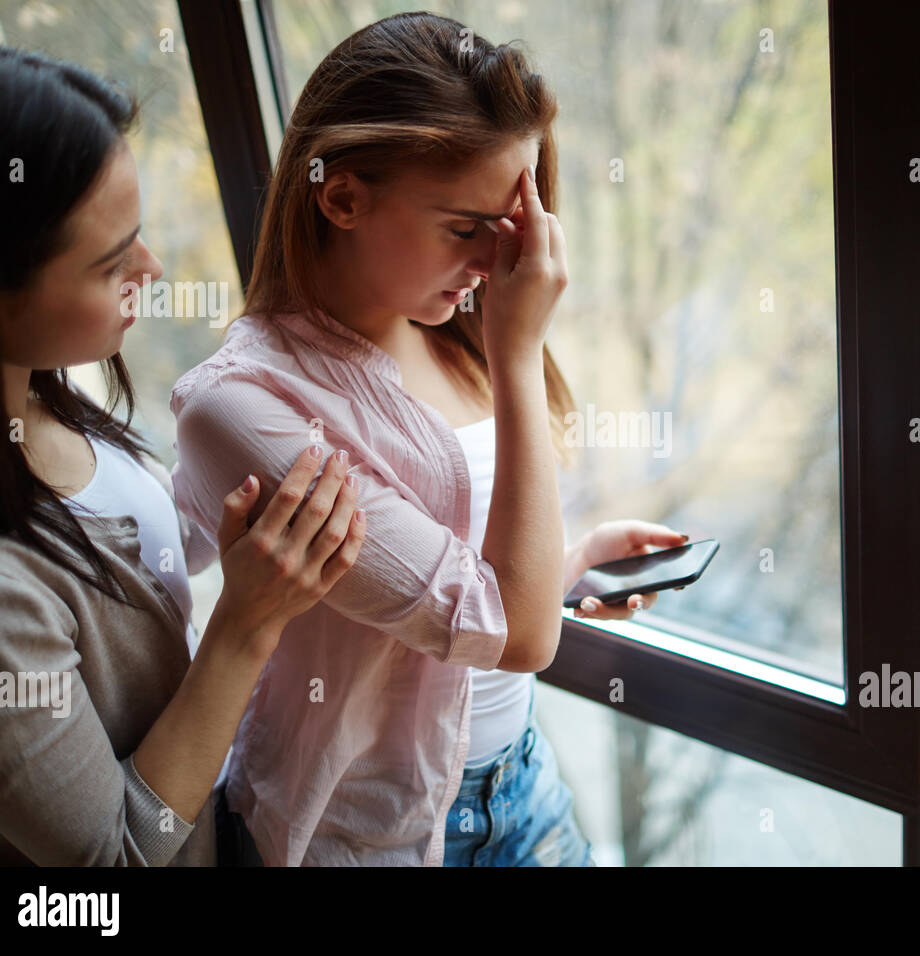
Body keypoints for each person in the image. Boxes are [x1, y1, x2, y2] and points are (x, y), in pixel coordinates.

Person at [169, 12, 687, 866]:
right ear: (341, 197)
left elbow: (459, 596)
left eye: (512, 220)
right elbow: (511, 633)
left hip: (521, 785)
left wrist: (568, 566)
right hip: (370, 832)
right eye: (465, 228)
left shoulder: (444, 326)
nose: (497, 262)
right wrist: (516, 353)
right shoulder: (249, 406)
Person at [0, 41, 366, 866]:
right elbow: (115, 859)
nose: (149, 269)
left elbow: (134, 556)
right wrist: (245, 626)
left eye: (138, 238)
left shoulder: (40, 392)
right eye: (113, 262)